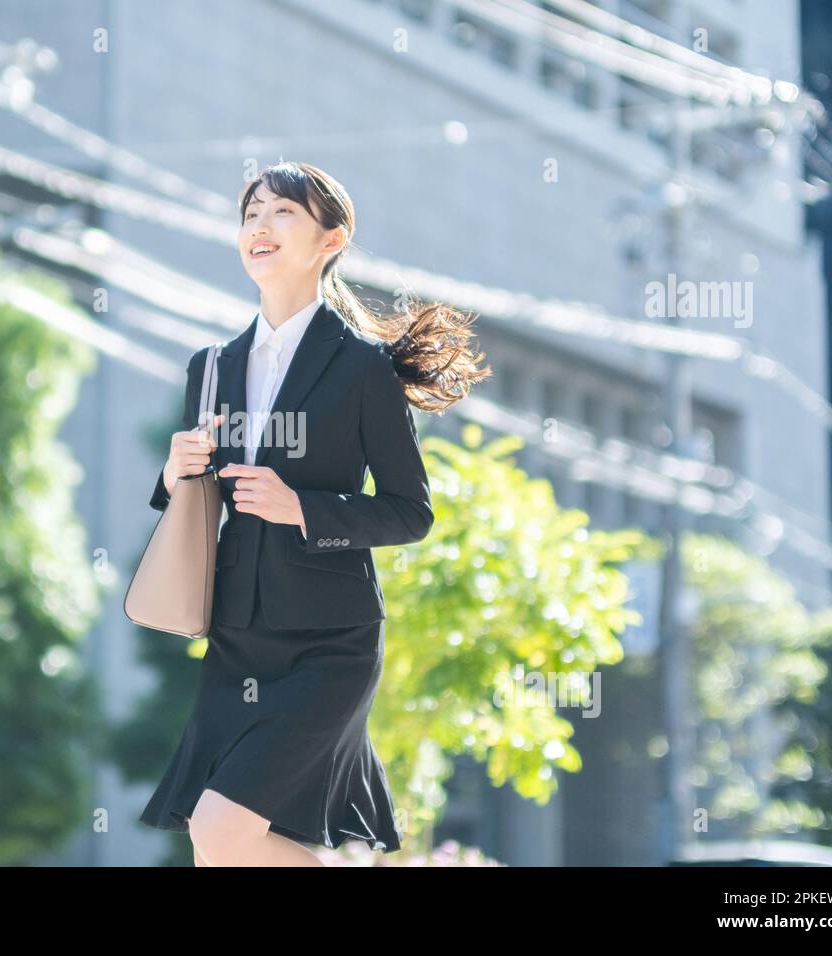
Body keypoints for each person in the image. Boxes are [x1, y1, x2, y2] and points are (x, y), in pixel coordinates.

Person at [137, 161, 490, 866]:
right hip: (237, 638)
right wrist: (174, 475)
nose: (260, 228)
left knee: (218, 829)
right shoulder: (211, 368)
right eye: (251, 215)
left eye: (282, 214)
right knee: (221, 847)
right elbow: (196, 503)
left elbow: (408, 512)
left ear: (331, 240)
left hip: (330, 644)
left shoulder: (363, 369)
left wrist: (302, 507)